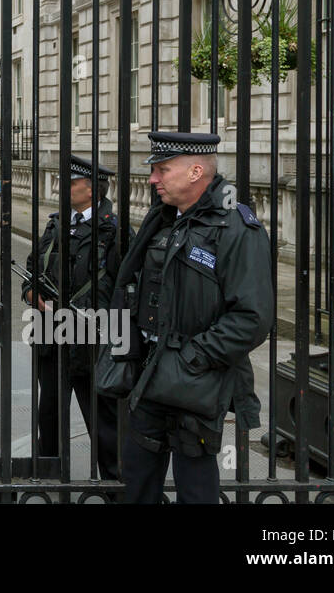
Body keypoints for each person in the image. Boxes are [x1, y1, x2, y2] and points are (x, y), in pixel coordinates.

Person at [105, 131, 272, 503]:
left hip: (194, 379)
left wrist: (192, 358)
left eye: (162, 170)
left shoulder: (236, 228)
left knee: (195, 486)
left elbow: (252, 318)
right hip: (149, 374)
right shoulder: (161, 220)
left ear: (196, 171)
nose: (153, 179)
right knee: (135, 481)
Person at [24, 154, 127, 479]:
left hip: (92, 338)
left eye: (72, 183)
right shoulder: (56, 224)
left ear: (92, 190)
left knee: (102, 416)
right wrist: (31, 293)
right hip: (51, 335)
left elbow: (125, 285)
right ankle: (51, 477)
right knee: (50, 413)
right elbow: (32, 268)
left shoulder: (114, 230)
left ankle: (113, 482)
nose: (63, 187)